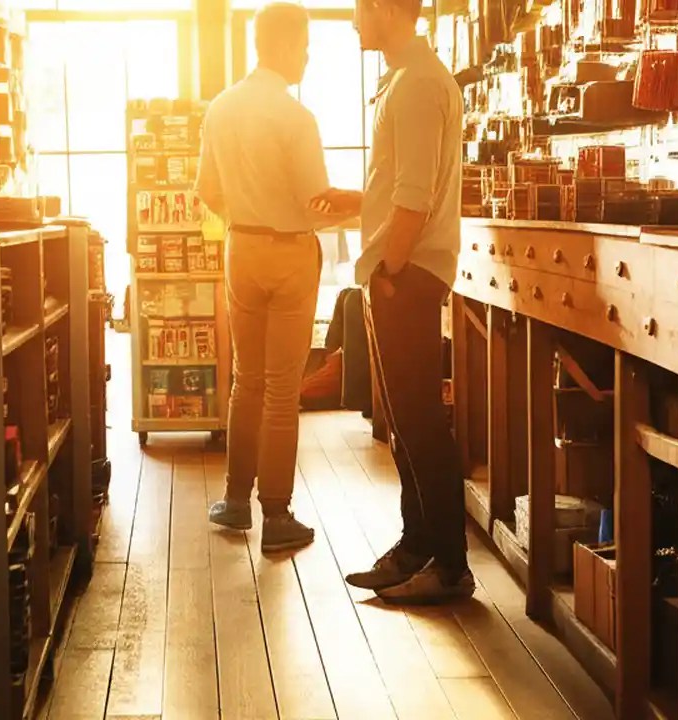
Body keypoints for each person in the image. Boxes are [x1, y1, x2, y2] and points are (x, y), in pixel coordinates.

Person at [195, 2, 359, 552]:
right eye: (305, 48)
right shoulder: (296, 118)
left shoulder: (220, 108)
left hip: (241, 245)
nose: (308, 59)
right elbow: (316, 202)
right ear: (285, 46)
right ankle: (278, 513)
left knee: (247, 378)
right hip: (290, 251)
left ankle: (236, 499)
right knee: (282, 389)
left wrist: (247, 205)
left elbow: (208, 192)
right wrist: (366, 206)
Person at [338, 0, 471, 602]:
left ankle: (447, 565)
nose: (353, 19)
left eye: (361, 8)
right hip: (405, 270)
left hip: (407, 273)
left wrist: (388, 270)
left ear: (389, 9)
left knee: (418, 421)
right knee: (408, 422)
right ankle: (418, 546)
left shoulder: (416, 86)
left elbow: (413, 197)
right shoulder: (412, 80)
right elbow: (401, 187)